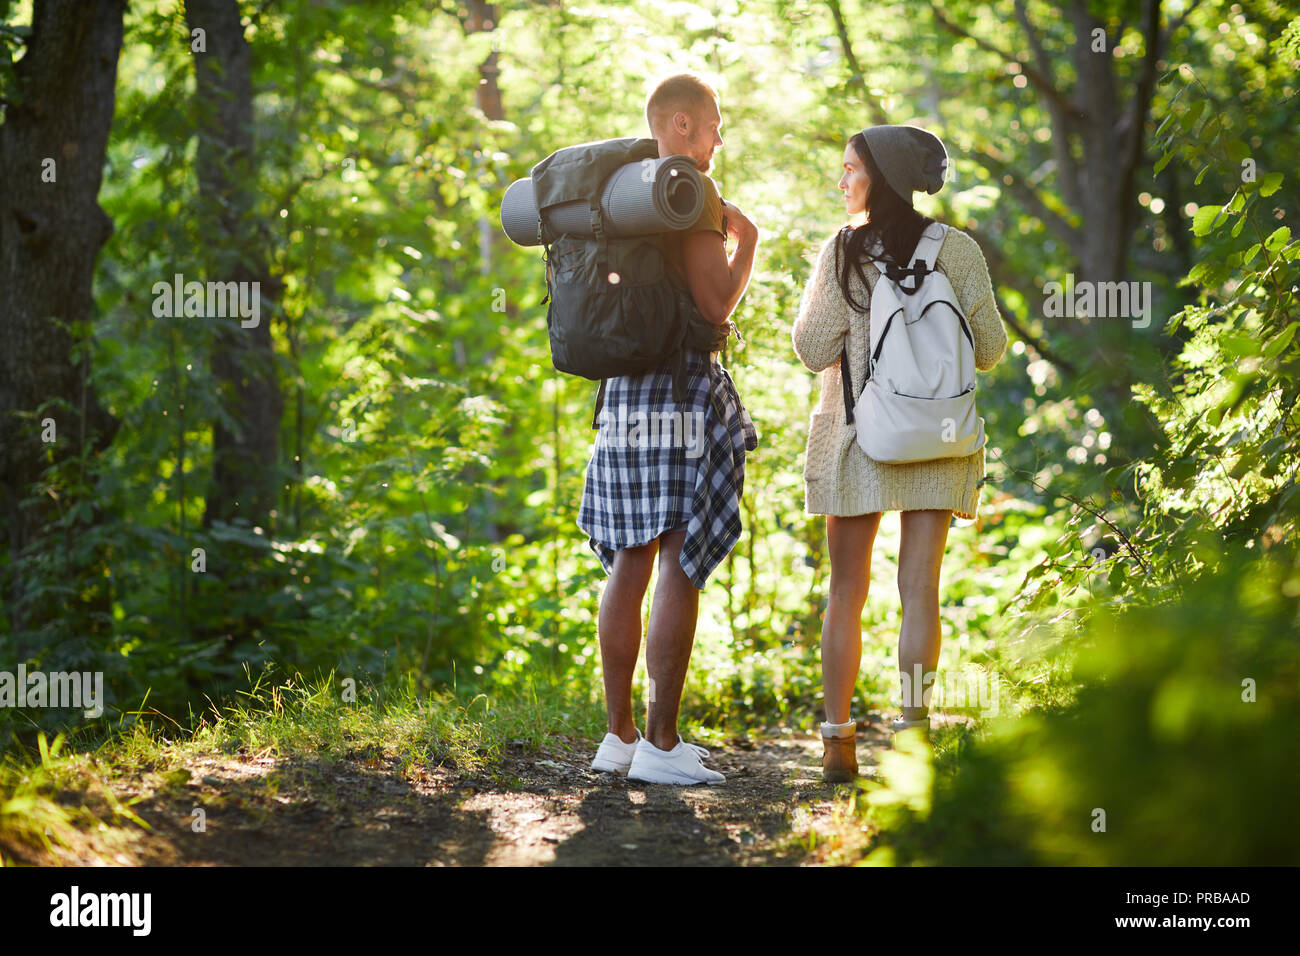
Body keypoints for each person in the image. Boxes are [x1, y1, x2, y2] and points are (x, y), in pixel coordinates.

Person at [791, 125, 1008, 783]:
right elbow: (992, 349)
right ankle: (913, 739)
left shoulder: (842, 252)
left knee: (846, 591)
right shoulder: (958, 250)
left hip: (859, 439)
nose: (842, 180)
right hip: (939, 440)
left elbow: (810, 350)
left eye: (851, 168)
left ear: (879, 176)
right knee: (920, 592)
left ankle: (839, 743)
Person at [579, 73, 759, 785]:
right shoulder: (689, 192)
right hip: (679, 393)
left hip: (621, 393)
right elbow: (714, 305)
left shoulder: (622, 189)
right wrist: (747, 238)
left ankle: (618, 737)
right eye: (714, 125)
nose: (718, 140)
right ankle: (661, 744)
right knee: (681, 554)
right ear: (681, 124)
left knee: (631, 556)